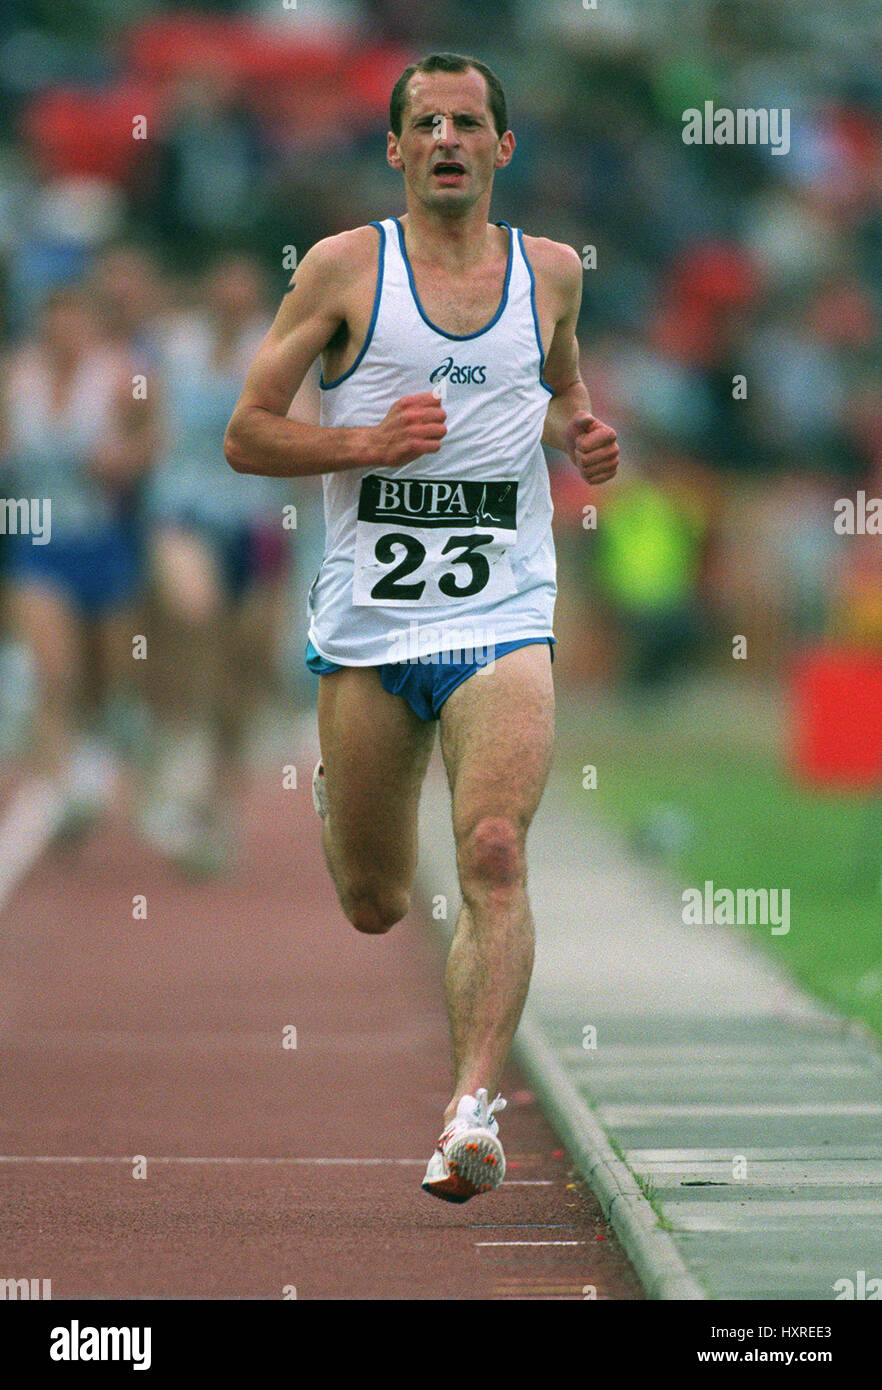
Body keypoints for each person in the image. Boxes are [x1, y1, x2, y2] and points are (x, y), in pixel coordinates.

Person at [224, 53, 619, 1201]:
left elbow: (560, 388)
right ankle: (344, 797)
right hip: (370, 630)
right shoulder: (346, 269)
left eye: (470, 122)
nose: (448, 138)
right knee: (375, 900)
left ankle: (471, 1112)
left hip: (503, 614)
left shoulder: (550, 272)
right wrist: (361, 444)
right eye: (426, 123)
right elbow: (248, 435)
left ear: (504, 147)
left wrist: (580, 435)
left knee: (494, 849)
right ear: (395, 150)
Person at [143, 252, 290, 874]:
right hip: (183, 511)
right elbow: (149, 419)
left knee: (245, 670)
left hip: (255, 521)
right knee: (195, 617)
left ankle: (217, 797)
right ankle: (178, 760)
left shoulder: (280, 348)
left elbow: (303, 425)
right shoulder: (173, 344)